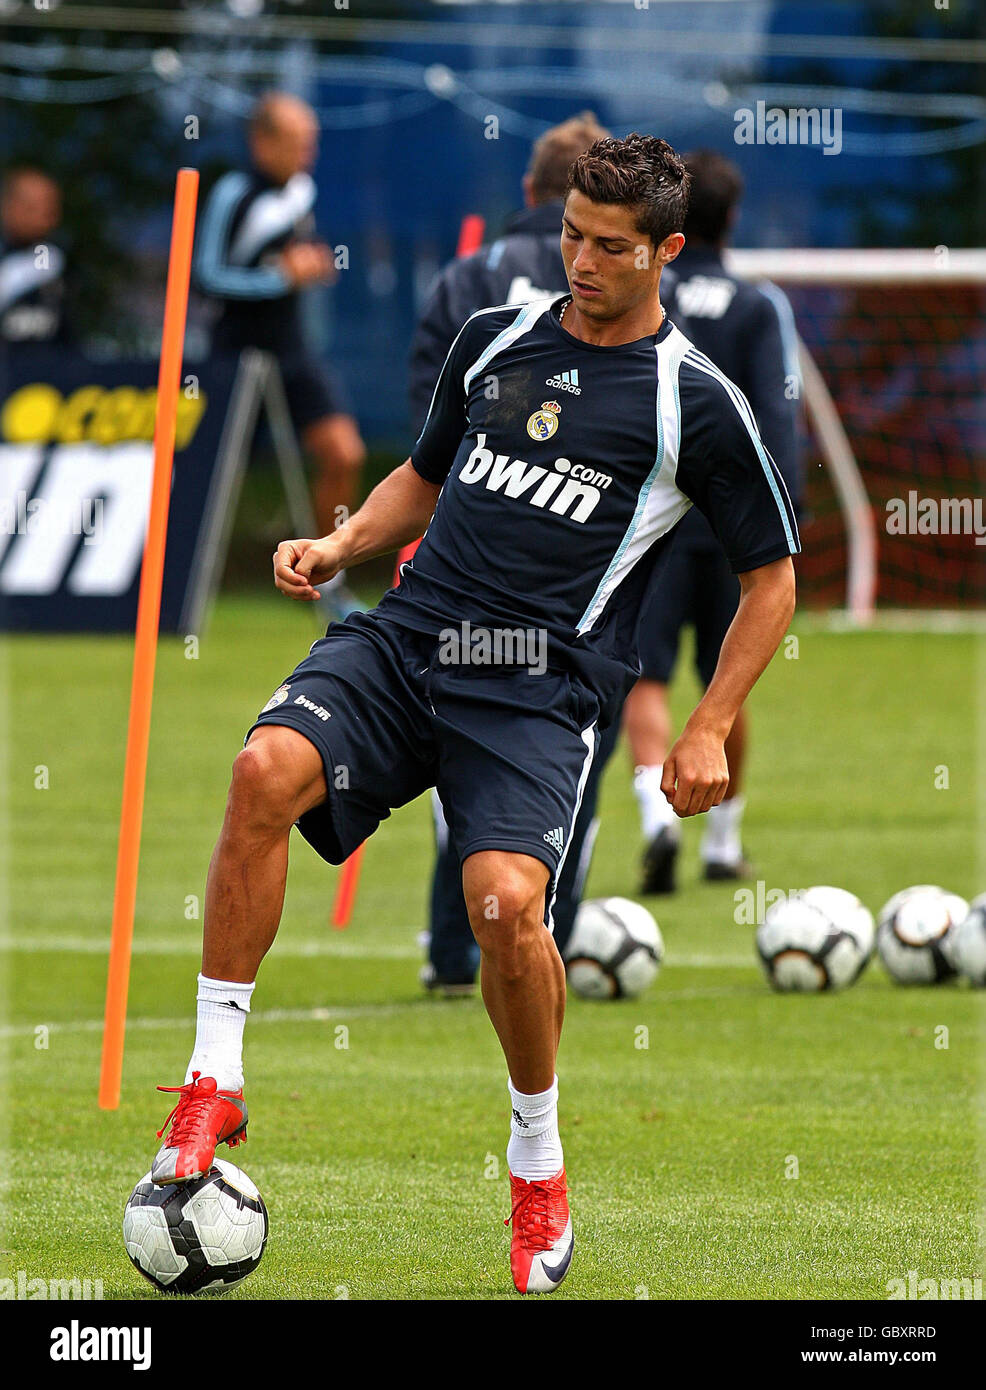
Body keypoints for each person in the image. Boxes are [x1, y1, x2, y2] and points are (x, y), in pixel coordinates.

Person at [149, 134, 798, 1296]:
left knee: (503, 905)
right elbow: (426, 475)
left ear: (665, 250)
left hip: (540, 686)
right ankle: (213, 1078)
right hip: (407, 639)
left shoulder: (691, 400)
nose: (581, 262)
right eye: (570, 238)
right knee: (261, 773)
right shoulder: (492, 338)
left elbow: (772, 579)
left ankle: (535, 1160)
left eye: (609, 248)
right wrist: (341, 542)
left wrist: (704, 727)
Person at [408, 111, 623, 996]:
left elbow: (429, 425)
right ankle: (544, 953)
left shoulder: (472, 277)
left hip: (454, 563)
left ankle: (450, 954)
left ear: (528, 190)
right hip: (581, 588)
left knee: (450, 745)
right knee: (565, 759)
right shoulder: (643, 285)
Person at [626, 149, 801, 893]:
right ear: (731, 219)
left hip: (650, 521)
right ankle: (722, 844)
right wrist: (781, 518)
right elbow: (775, 415)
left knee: (647, 677)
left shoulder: (644, 301)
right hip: (728, 525)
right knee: (726, 678)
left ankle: (655, 819)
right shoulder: (757, 304)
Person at [195, 92, 366, 554]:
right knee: (205, 473)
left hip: (291, 350)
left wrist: (311, 266)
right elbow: (204, 276)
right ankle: (170, 575)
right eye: (295, 143)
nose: (306, 154)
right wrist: (278, 279)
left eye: (310, 143)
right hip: (233, 353)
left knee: (345, 454)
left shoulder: (301, 192)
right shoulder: (233, 193)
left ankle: (324, 570)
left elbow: (289, 261)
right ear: (262, 143)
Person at [0, 167, 71, 344]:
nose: (45, 217)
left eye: (50, 208)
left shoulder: (64, 265)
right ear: (7, 206)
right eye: (31, 207)